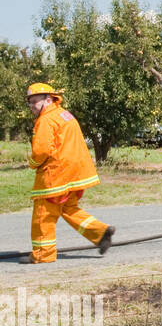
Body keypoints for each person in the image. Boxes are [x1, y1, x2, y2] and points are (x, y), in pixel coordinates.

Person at [25, 83, 114, 264]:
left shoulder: (46, 120)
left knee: (43, 215)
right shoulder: (64, 115)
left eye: (35, 102)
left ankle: (43, 254)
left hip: (55, 176)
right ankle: (100, 232)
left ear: (48, 100)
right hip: (73, 175)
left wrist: (32, 164)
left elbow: (41, 151)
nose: (31, 106)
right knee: (69, 209)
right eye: (29, 103)